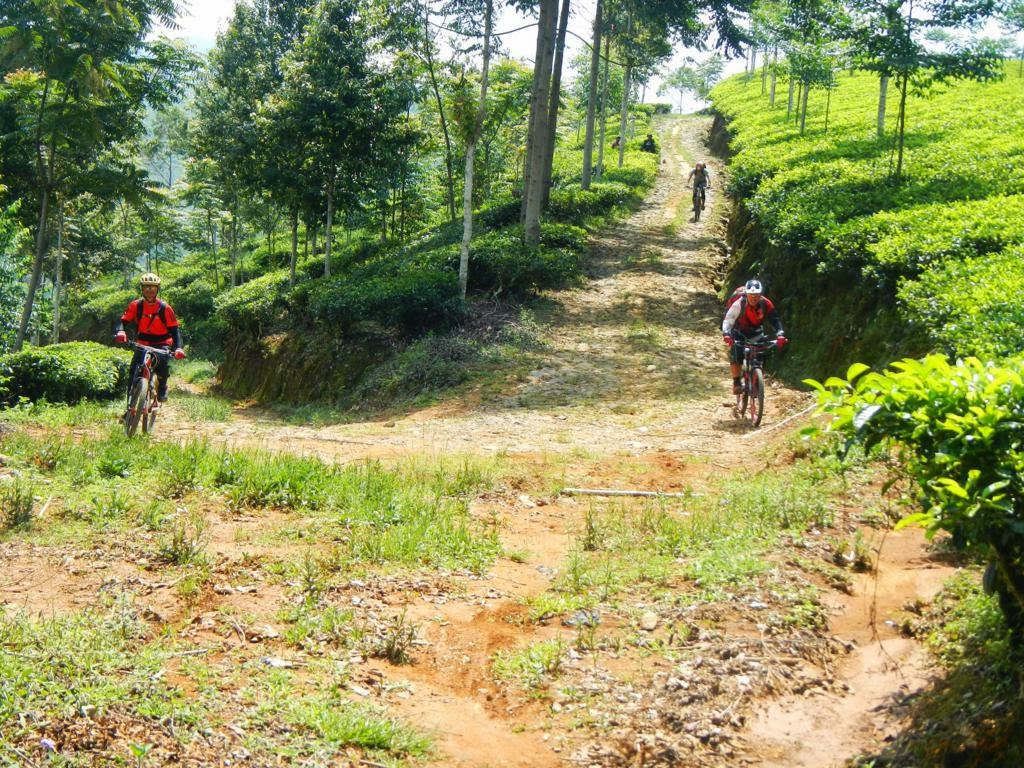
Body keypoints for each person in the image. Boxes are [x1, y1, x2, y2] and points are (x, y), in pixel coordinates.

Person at [114, 272, 185, 408]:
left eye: (152, 287)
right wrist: (121, 331)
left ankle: (162, 387)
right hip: (142, 343)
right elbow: (123, 320)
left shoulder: (165, 308)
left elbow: (175, 330)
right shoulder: (136, 305)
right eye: (146, 287)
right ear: (142, 289)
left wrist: (178, 348)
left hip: (162, 343)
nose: (149, 290)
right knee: (134, 371)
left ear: (157, 289)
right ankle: (130, 406)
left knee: (162, 365)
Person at [722, 279, 787, 395]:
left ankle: (757, 377)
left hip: (756, 331)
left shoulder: (766, 303)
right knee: (736, 354)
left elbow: (775, 319)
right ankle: (736, 382)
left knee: (760, 356)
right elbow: (729, 319)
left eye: (757, 295)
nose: (754, 298)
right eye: (751, 295)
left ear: (760, 295)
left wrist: (780, 334)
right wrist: (726, 334)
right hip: (739, 330)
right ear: (746, 294)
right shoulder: (739, 303)